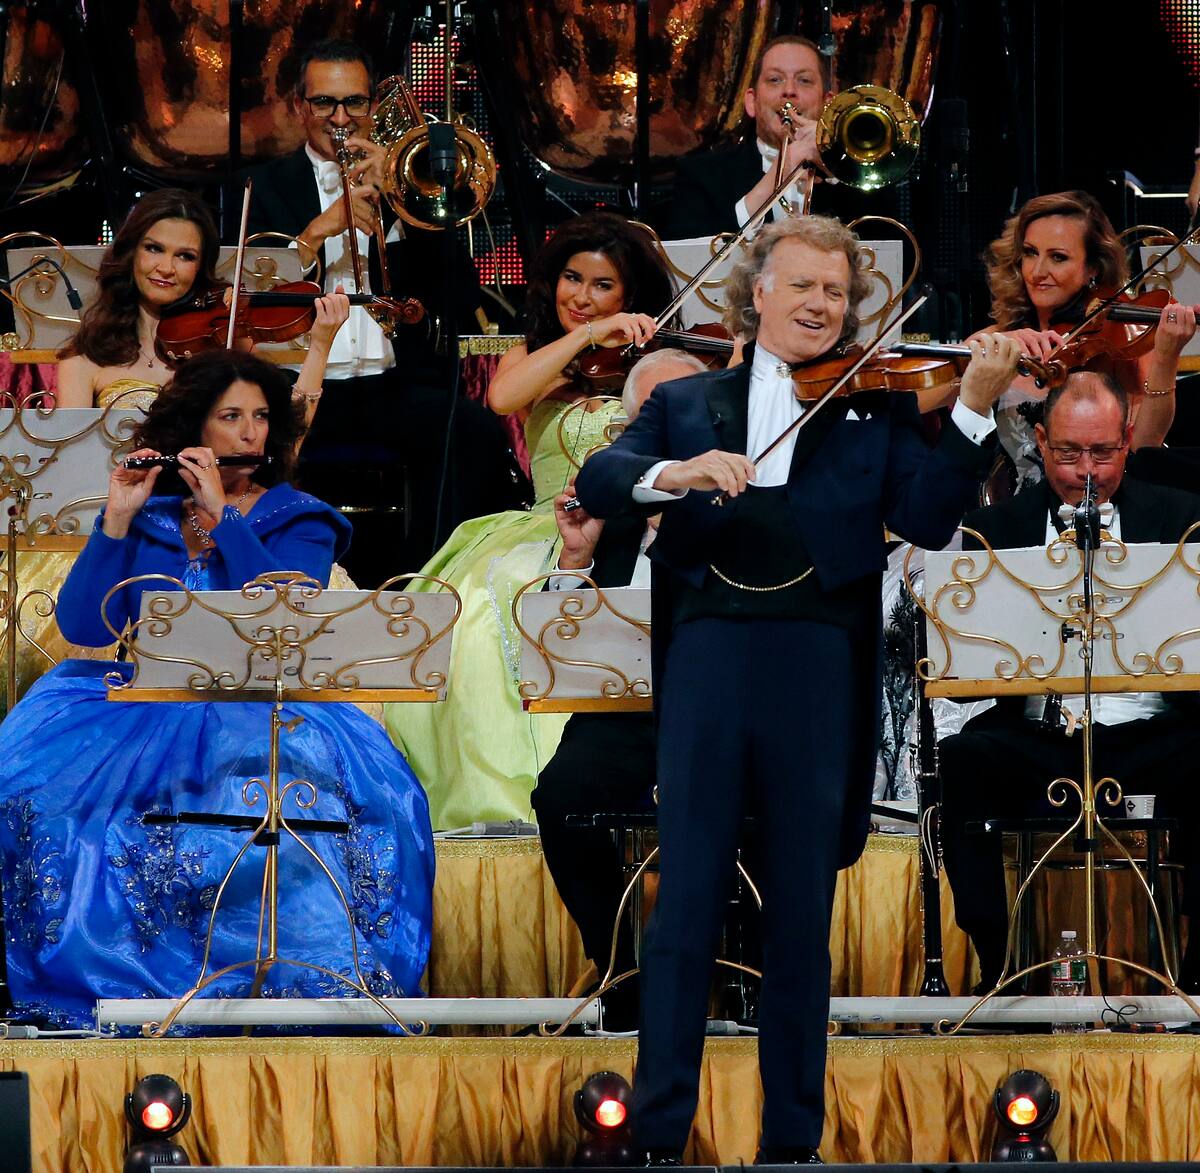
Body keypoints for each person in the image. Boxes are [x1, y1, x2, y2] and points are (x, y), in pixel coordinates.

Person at [574, 215, 1016, 1162]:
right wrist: (675, 473)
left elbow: (926, 518)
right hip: (708, 656)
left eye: (837, 292)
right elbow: (602, 477)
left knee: (801, 912)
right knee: (685, 901)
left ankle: (791, 1143)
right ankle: (656, 1134)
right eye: (803, 285)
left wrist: (974, 409)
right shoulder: (687, 400)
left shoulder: (877, 411)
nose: (821, 304)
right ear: (758, 293)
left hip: (816, 663)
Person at [0, 349, 435, 1027]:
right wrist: (116, 519)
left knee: (262, 805)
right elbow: (84, 623)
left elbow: (287, 618)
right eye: (231, 416)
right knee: (31, 785)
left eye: (260, 417)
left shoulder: (300, 518)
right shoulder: (150, 514)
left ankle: (274, 984)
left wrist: (224, 519)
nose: (249, 432)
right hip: (143, 699)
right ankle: (102, 979)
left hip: (262, 702)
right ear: (195, 427)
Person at [384, 211, 672, 832]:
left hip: (638, 531)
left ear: (631, 295)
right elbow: (502, 398)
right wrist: (588, 336)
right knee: (481, 618)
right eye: (573, 278)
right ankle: (504, 800)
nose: (582, 296)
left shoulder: (656, 360)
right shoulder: (535, 354)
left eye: (603, 286)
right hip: (551, 526)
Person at [7, 190, 350, 707]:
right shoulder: (85, 356)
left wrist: (319, 345)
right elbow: (75, 464)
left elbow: (282, 439)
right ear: (131, 254)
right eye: (155, 249)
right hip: (136, 521)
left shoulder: (227, 344)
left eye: (185, 256)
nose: (167, 267)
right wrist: (118, 516)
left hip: (229, 516)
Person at [938, 369, 1200, 994]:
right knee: (963, 760)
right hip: (1040, 734)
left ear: (1128, 439)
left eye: (1103, 452)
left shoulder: (1183, 517)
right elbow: (969, 664)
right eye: (1069, 452)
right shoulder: (993, 529)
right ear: (1039, 441)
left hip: (1151, 730)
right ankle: (1000, 966)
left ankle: (1196, 976)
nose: (1087, 471)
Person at [241, 38, 521, 584]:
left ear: (373, 105)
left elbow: (459, 297)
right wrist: (317, 231)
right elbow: (250, 297)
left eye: (354, 102)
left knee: (471, 431)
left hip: (394, 382)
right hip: (297, 384)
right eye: (324, 102)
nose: (340, 118)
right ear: (299, 106)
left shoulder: (411, 182)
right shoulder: (265, 185)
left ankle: (425, 580)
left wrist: (403, 207)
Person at [530, 349, 706, 1027]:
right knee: (561, 794)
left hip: (719, 715)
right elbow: (561, 650)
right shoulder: (614, 512)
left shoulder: (743, 504)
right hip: (623, 715)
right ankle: (618, 968)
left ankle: (742, 969)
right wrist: (576, 557)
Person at [975, 190, 1196, 491]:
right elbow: (918, 401)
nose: (1037, 271)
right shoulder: (1000, 339)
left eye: (1058, 257)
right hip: (1020, 507)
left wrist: (1167, 357)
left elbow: (1145, 447)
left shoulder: (1118, 341)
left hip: (1104, 507)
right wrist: (986, 347)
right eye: (1030, 253)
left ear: (1093, 268)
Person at [665, 35, 894, 240]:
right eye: (775, 79)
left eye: (804, 80)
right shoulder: (700, 174)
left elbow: (890, 254)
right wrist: (782, 168)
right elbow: (696, 263)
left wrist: (836, 169)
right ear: (752, 102)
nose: (789, 90)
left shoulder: (866, 175)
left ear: (828, 104)